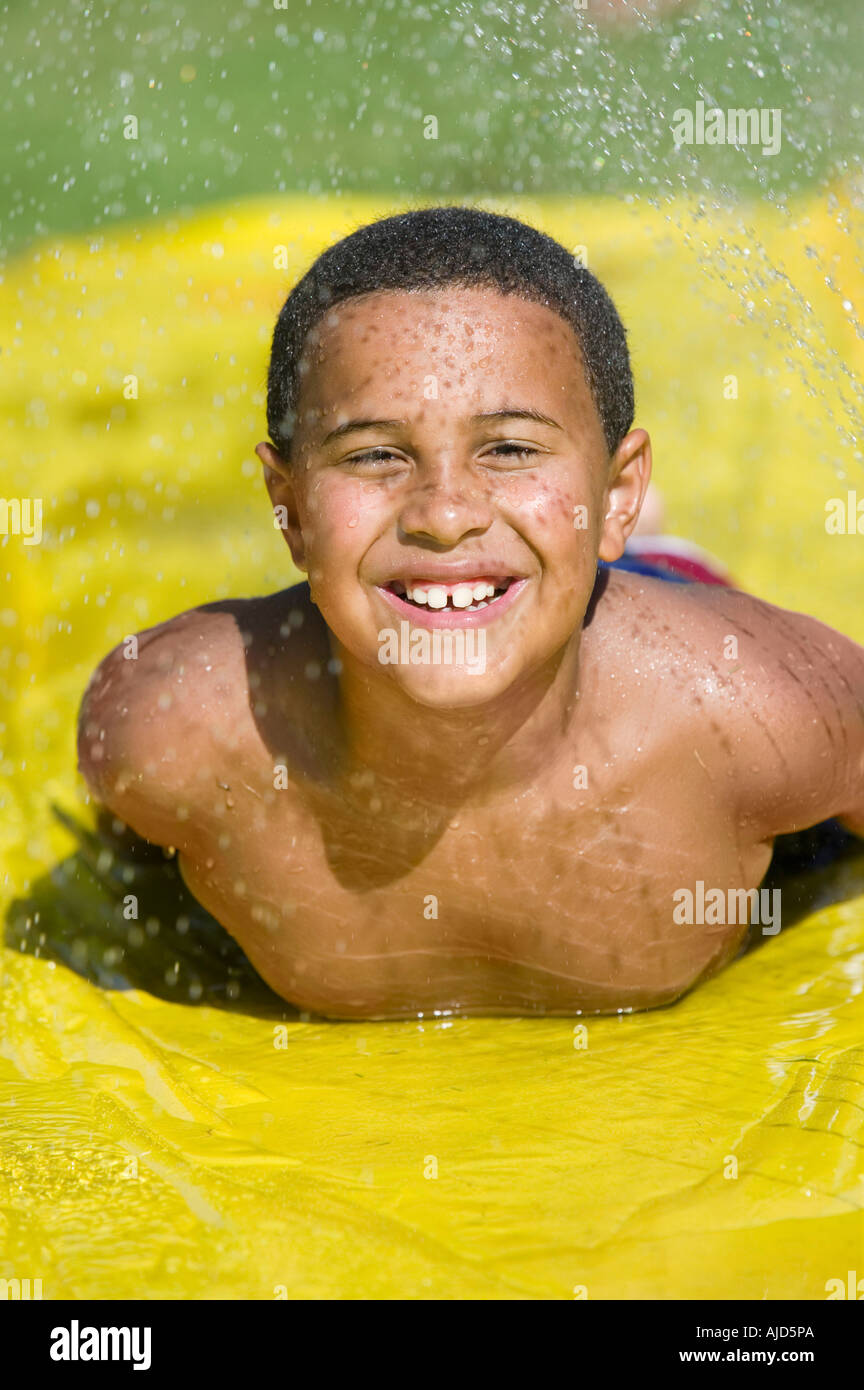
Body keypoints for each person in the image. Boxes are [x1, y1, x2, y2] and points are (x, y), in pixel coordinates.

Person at [77, 207, 864, 1019]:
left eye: (511, 448)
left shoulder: (758, 711)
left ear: (617, 490)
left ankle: (647, 536)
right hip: (509, 577)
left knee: (602, 566)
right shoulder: (172, 729)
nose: (444, 513)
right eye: (375, 455)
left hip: (647, 593)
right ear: (292, 513)